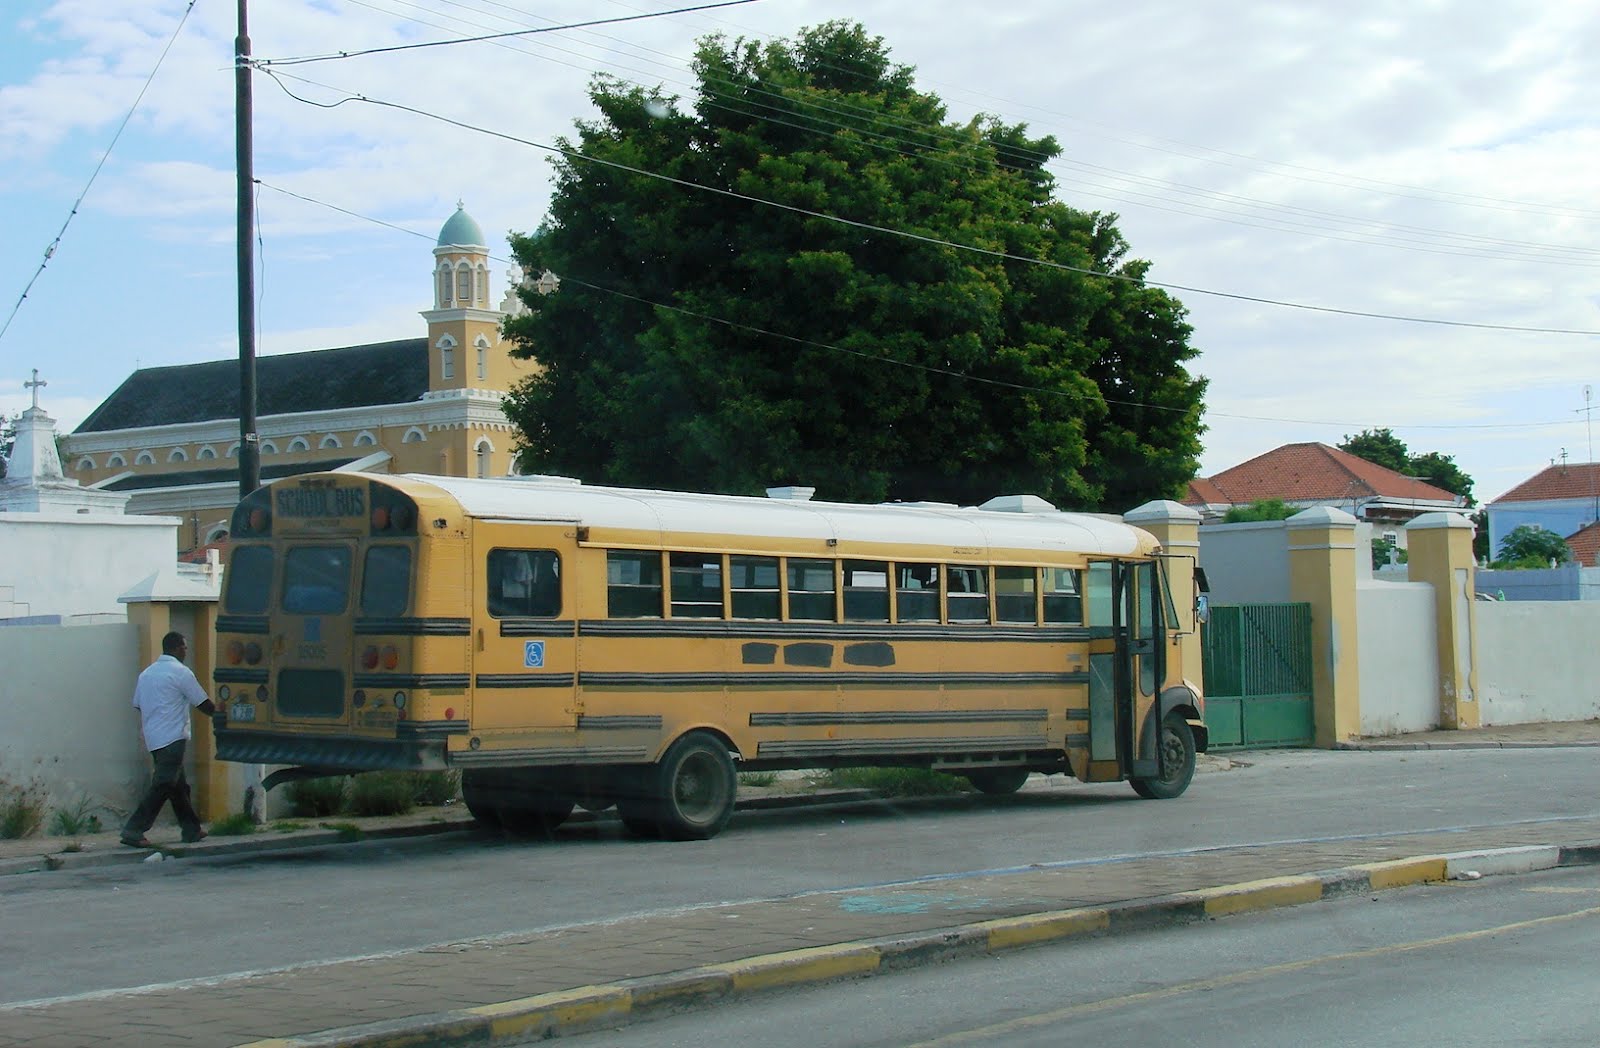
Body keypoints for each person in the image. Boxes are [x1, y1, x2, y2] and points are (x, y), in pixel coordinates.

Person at [120, 631, 217, 848]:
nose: (186, 650)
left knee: (178, 787)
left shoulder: (146, 674)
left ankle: (191, 829)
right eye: (184, 647)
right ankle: (134, 829)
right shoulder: (181, 673)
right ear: (175, 648)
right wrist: (222, 715)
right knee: (163, 785)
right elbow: (202, 702)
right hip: (173, 737)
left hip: (154, 738)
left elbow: (137, 704)